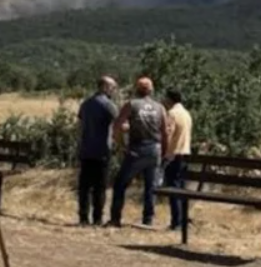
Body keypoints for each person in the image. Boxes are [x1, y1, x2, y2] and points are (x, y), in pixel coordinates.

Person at [108, 76, 172, 228]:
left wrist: (121, 144)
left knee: (120, 184)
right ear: (152, 90)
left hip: (137, 149)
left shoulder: (131, 104)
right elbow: (165, 132)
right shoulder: (160, 107)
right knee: (151, 186)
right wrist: (164, 151)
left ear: (136, 89)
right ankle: (147, 220)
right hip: (155, 149)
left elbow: (117, 126)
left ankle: (115, 218)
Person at [77, 76, 118, 226]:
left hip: (86, 150)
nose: (114, 91)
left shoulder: (85, 104)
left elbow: (80, 127)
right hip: (102, 151)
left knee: (84, 186)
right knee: (100, 187)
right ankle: (97, 218)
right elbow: (119, 124)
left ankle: (83, 217)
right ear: (104, 87)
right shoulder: (109, 105)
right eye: (112, 87)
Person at [162, 88, 193, 230]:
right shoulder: (186, 114)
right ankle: (182, 219)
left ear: (170, 99)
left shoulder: (172, 113)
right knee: (181, 188)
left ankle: (176, 222)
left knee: (173, 189)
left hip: (174, 154)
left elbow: (168, 134)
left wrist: (164, 153)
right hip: (185, 153)